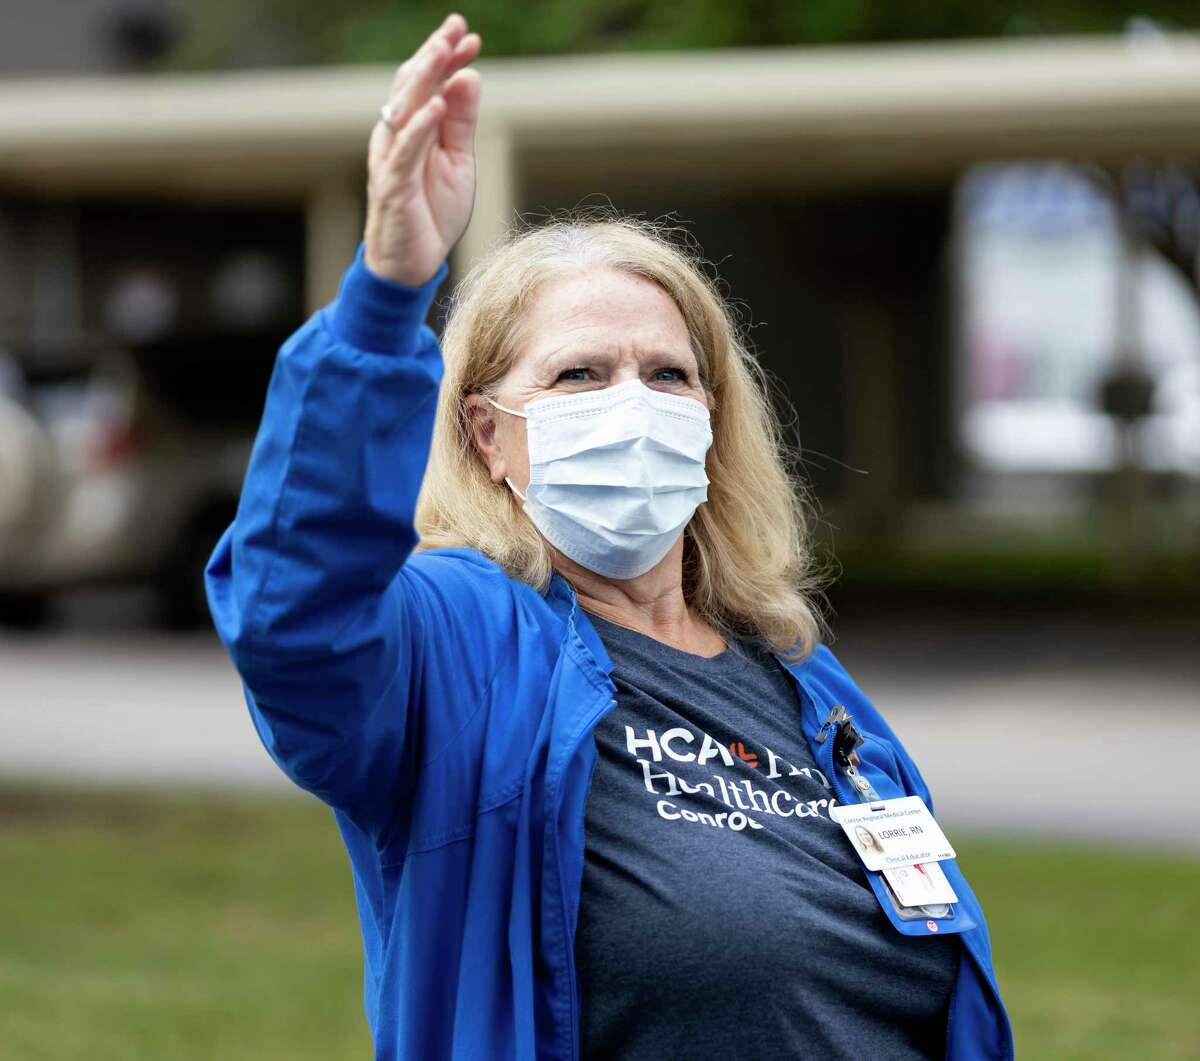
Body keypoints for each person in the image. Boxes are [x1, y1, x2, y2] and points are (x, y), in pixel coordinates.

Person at [205, 11, 1013, 1060]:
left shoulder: (807, 683)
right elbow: (294, 617)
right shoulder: (457, 645)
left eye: (668, 373)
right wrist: (385, 297)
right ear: (488, 434)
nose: (633, 401)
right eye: (580, 373)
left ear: (713, 421)